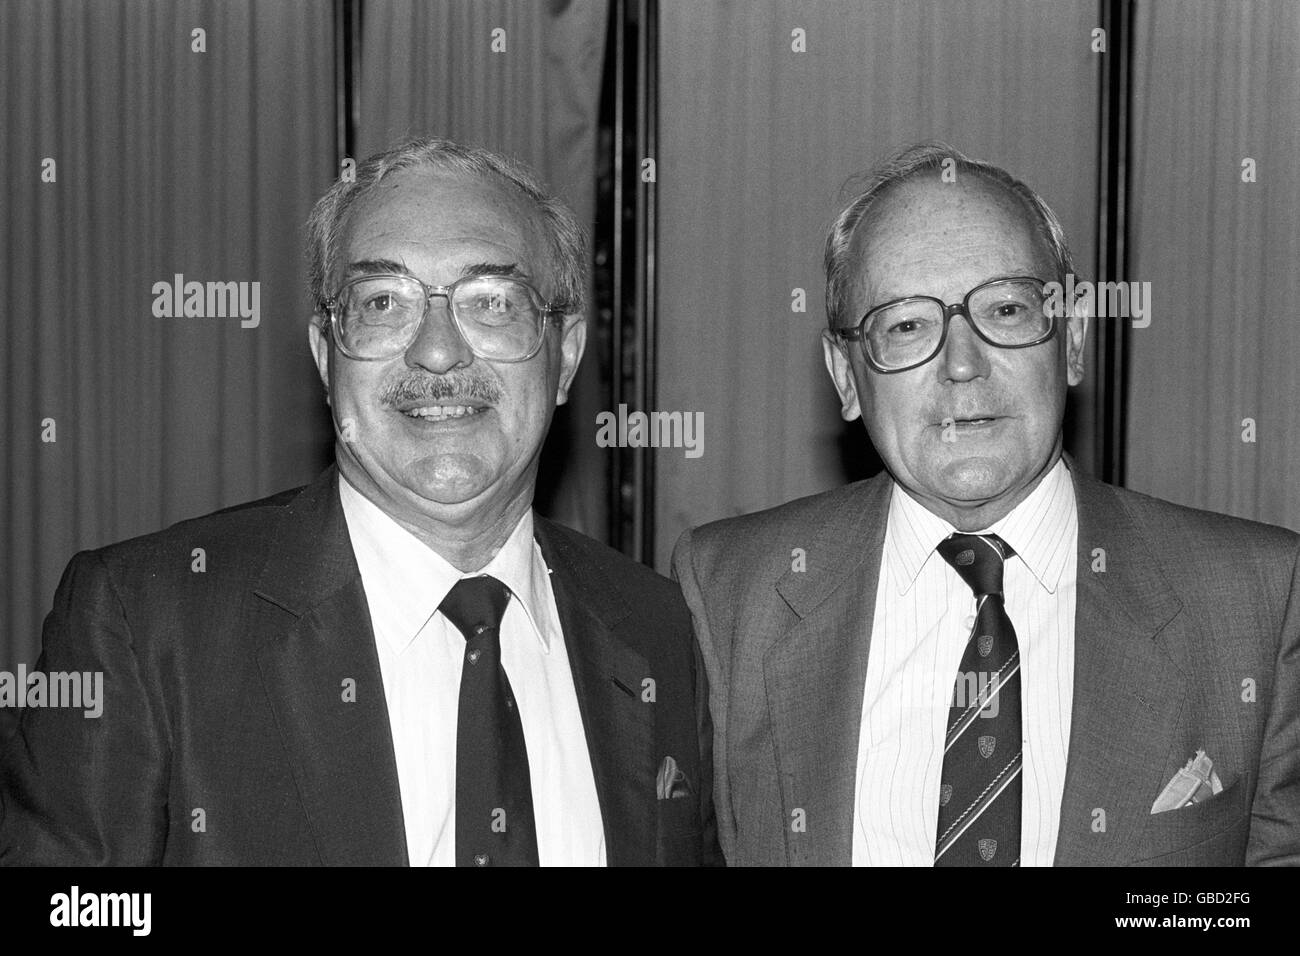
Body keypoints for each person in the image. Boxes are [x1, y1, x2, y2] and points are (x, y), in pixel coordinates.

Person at [0, 137, 719, 867]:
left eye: (491, 302)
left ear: (564, 357)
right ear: (325, 355)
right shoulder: (147, 624)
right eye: (383, 303)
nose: (438, 351)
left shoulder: (661, 631)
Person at [672, 144, 1299, 866]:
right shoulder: (727, 594)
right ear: (846, 375)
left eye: (1006, 309)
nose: (962, 364)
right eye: (906, 324)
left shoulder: (1257, 600)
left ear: (1073, 341)